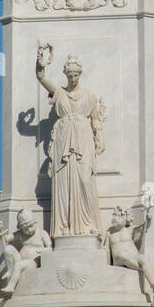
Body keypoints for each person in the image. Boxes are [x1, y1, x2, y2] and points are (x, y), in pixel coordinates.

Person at [36, 44, 105, 238]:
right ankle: (64, 226)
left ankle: (88, 222)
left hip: (83, 139)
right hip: (64, 139)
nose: (73, 78)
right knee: (64, 184)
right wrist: (40, 62)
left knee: (85, 179)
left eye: (76, 75)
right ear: (66, 75)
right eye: (70, 75)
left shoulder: (89, 96)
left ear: (79, 74)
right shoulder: (60, 93)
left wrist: (99, 138)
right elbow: (41, 78)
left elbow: (96, 119)